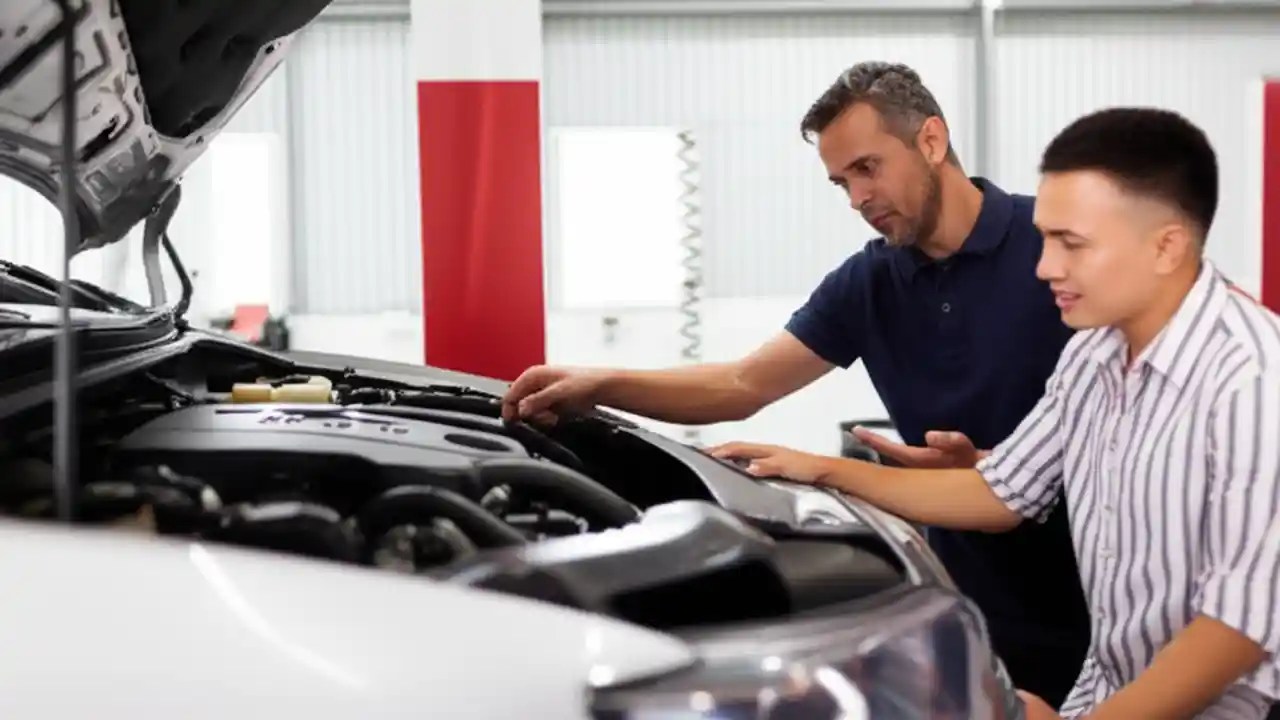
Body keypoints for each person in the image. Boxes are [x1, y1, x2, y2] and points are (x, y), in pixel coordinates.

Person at [502, 61, 1090, 704]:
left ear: (930, 140)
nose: (858, 198)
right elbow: (741, 384)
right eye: (841, 183)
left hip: (1101, 606)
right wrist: (601, 382)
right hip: (967, 608)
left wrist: (996, 466)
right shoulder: (868, 284)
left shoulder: (1057, 250)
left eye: (868, 168)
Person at [708, 106, 1280, 719]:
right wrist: (820, 470)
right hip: (1105, 695)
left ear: (1165, 246)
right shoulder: (1092, 356)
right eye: (1046, 237)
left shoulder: (1251, 376)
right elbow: (1000, 492)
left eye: (1071, 244)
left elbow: (1234, 631)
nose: (1044, 266)